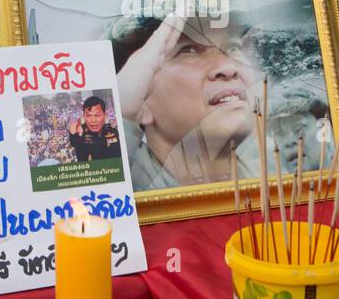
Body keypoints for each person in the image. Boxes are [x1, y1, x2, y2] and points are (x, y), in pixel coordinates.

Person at [109, 12, 269, 190]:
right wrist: (120, 111)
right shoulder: (120, 188)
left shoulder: (281, 169)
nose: (228, 67)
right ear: (141, 101)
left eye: (232, 47)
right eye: (189, 50)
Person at [67, 95, 121, 163]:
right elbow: (74, 142)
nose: (93, 120)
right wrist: (74, 133)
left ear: (105, 116)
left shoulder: (114, 132)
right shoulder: (80, 133)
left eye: (97, 115)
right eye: (89, 115)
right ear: (84, 117)